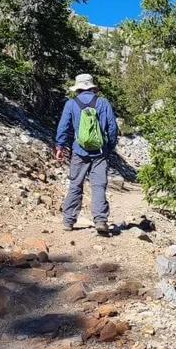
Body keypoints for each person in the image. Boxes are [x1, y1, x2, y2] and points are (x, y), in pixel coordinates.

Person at [55, 73, 118, 234]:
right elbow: (112, 128)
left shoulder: (71, 103)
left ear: (78, 88)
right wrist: (109, 146)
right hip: (100, 152)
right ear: (92, 87)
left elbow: (63, 126)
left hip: (79, 150)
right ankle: (100, 220)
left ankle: (69, 221)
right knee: (98, 186)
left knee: (75, 184)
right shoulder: (103, 103)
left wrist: (59, 146)